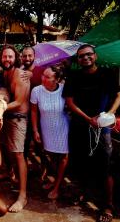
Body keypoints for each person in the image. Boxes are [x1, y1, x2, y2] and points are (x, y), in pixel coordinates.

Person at [62, 44, 120, 222]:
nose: (85, 58)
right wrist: (88, 118)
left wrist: (108, 114)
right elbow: (70, 102)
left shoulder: (107, 74)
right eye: (81, 56)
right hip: (80, 126)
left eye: (88, 55)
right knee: (80, 163)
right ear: (78, 60)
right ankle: (83, 193)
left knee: (106, 166)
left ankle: (108, 205)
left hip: (102, 128)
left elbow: (118, 96)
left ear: (95, 56)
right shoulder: (74, 76)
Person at [0, 44, 30, 212]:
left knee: (19, 154)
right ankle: (10, 174)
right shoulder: (5, 72)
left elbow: (18, 101)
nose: (7, 59)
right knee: (7, 149)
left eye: (10, 56)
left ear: (15, 58)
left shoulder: (20, 74)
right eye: (5, 56)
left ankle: (23, 196)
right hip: (9, 117)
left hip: (19, 119)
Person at [31, 66, 69, 200]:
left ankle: (57, 187)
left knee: (63, 156)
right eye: (43, 75)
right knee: (51, 155)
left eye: (47, 77)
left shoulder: (64, 90)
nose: (43, 78)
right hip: (46, 128)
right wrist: (35, 130)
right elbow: (34, 111)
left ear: (57, 79)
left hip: (63, 127)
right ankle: (55, 181)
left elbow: (70, 106)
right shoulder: (36, 91)